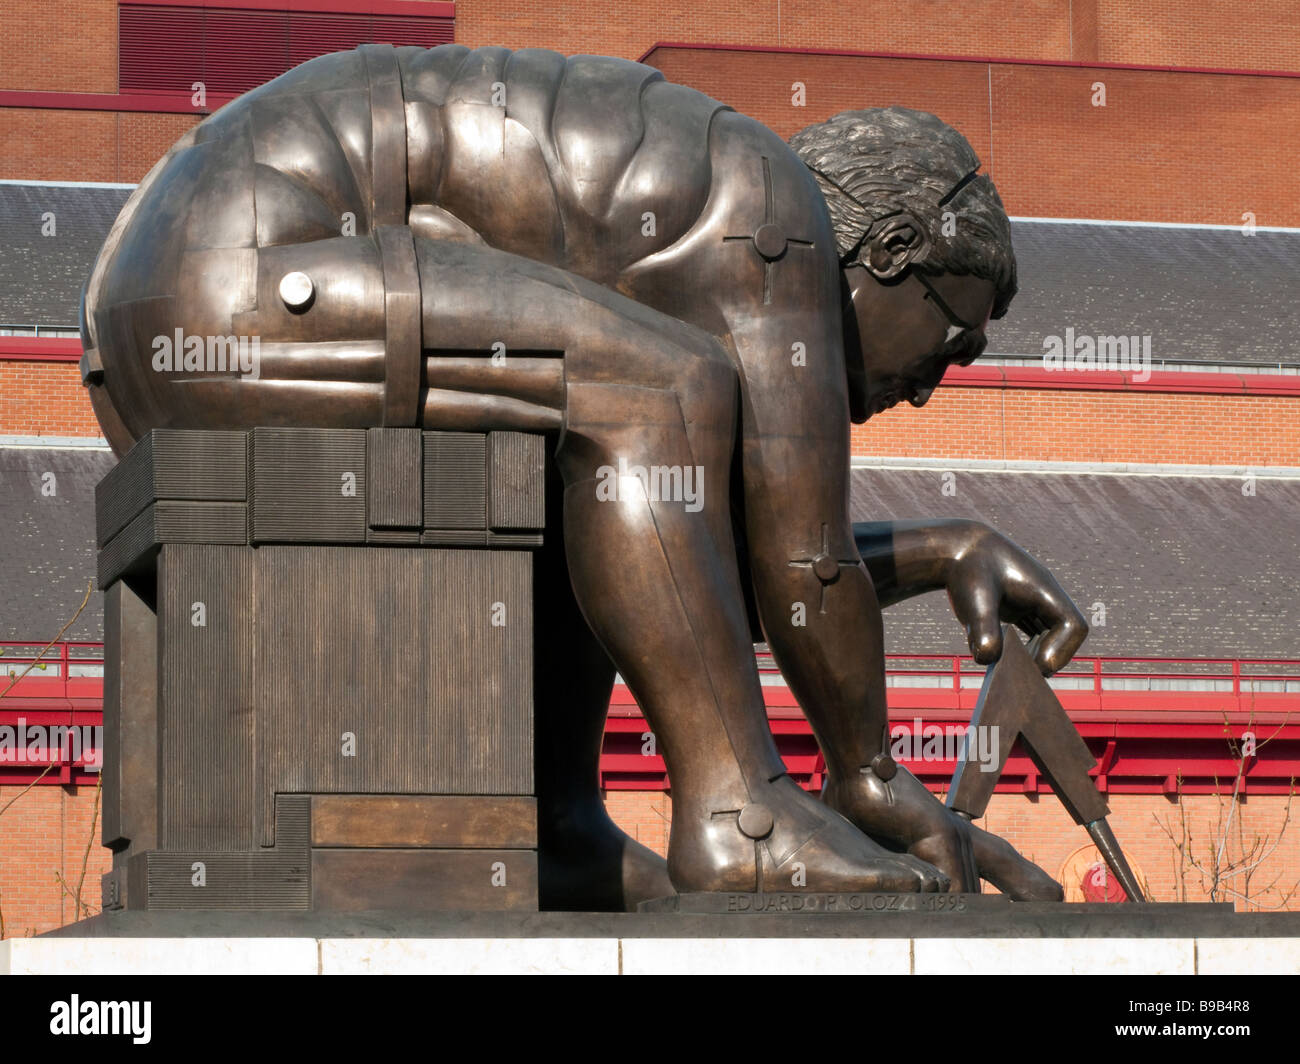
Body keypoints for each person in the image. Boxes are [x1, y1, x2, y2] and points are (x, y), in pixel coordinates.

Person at [82, 44, 1085, 909]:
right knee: (654, 390)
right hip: (242, 273)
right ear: (891, 248)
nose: (924, 387)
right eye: (952, 341)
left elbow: (680, 563)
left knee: (596, 439)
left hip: (161, 296)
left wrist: (940, 548)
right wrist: (864, 769)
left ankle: (553, 816)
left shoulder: (712, 207)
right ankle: (739, 818)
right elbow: (801, 563)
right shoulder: (777, 219)